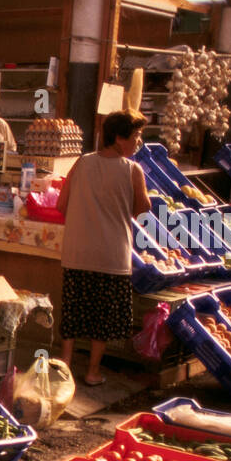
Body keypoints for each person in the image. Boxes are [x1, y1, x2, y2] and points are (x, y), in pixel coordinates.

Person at [55, 110, 150, 386]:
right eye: (136, 137)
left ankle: (65, 368)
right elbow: (142, 209)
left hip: (76, 252)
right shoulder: (132, 170)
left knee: (73, 313)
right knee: (102, 319)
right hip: (112, 255)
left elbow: (61, 205)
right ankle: (93, 372)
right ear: (119, 138)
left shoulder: (81, 162)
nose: (137, 143)